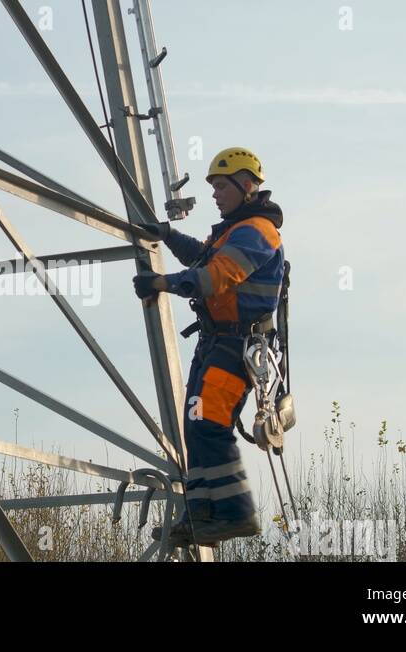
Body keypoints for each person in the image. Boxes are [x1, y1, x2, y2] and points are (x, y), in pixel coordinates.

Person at [133, 147, 285, 547]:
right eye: (214, 186)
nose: (215, 194)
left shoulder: (257, 232)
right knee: (196, 425)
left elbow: (215, 277)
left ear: (247, 185)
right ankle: (202, 514)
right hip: (217, 342)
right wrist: (168, 236)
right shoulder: (232, 230)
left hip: (237, 345)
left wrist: (162, 283)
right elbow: (203, 256)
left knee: (207, 423)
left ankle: (231, 515)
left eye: (221, 186)